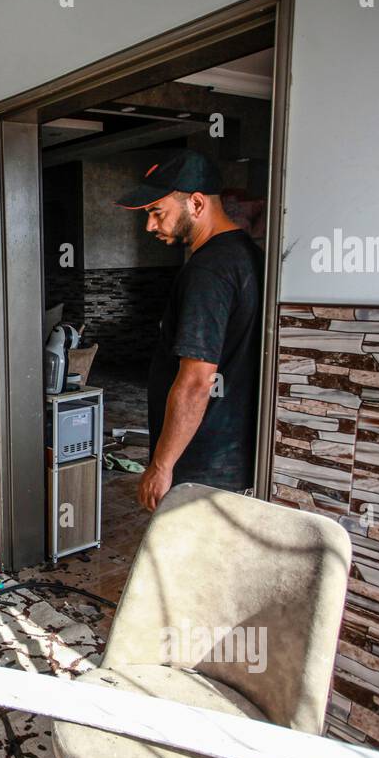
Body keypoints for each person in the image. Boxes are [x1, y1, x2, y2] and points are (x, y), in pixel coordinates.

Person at [116, 149, 262, 512]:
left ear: (196, 203)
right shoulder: (247, 255)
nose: (150, 226)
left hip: (201, 462)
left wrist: (161, 466)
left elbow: (197, 381)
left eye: (157, 212)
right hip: (230, 458)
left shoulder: (208, 271)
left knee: (185, 565)